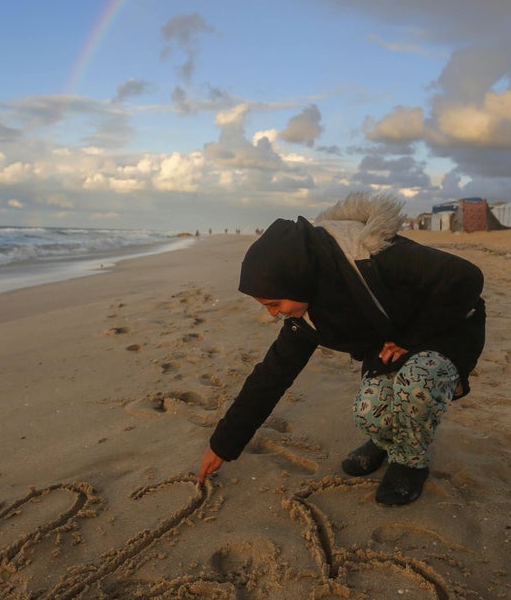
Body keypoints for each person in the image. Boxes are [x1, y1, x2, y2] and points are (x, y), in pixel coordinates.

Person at [197, 192, 485, 505]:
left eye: (274, 303)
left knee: (416, 384)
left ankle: (410, 462)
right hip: (391, 341)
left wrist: (411, 339)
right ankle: (386, 442)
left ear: (295, 278)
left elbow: (466, 278)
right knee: (369, 412)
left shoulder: (371, 254)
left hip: (444, 327)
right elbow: (272, 376)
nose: (273, 314)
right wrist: (222, 445)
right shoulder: (306, 312)